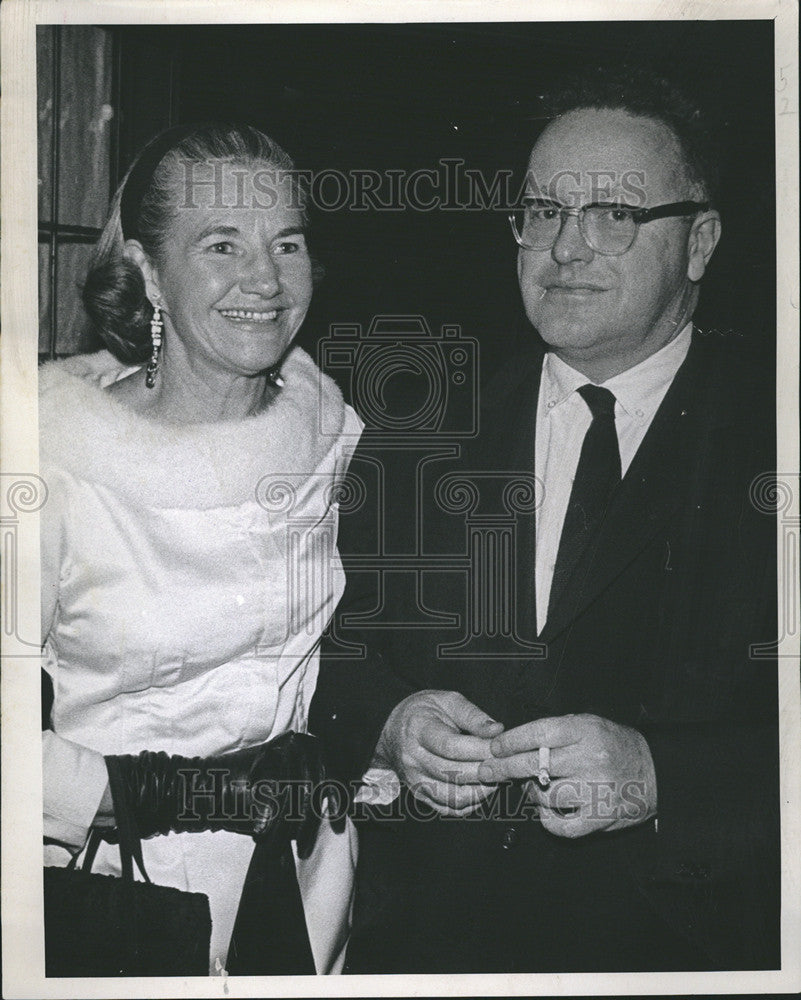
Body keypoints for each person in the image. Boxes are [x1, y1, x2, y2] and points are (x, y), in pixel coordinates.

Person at [310, 67, 780, 972]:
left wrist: (660, 777)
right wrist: (387, 720)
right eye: (541, 211)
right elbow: (320, 644)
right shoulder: (419, 423)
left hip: (687, 954)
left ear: (699, 241)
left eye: (612, 214)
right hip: (425, 951)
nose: (565, 248)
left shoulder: (773, 440)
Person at [40, 123, 362, 975]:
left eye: (285, 242)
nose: (265, 279)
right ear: (148, 270)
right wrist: (162, 793)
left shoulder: (330, 435)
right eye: (222, 244)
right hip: (119, 895)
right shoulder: (50, 463)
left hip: (304, 883)